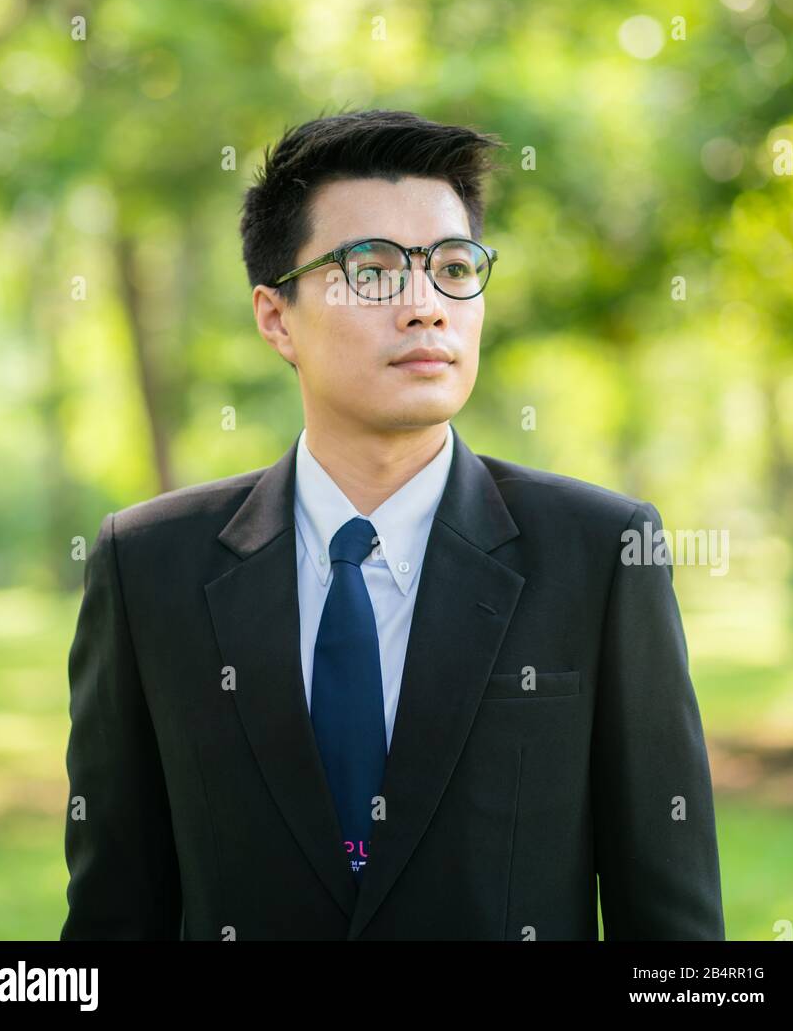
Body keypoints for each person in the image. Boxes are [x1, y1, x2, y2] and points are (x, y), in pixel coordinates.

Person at [60, 108, 725, 941]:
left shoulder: (599, 552)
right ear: (275, 318)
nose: (425, 307)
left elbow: (674, 933)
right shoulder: (148, 565)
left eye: (452, 267)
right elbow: (112, 916)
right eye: (370, 271)